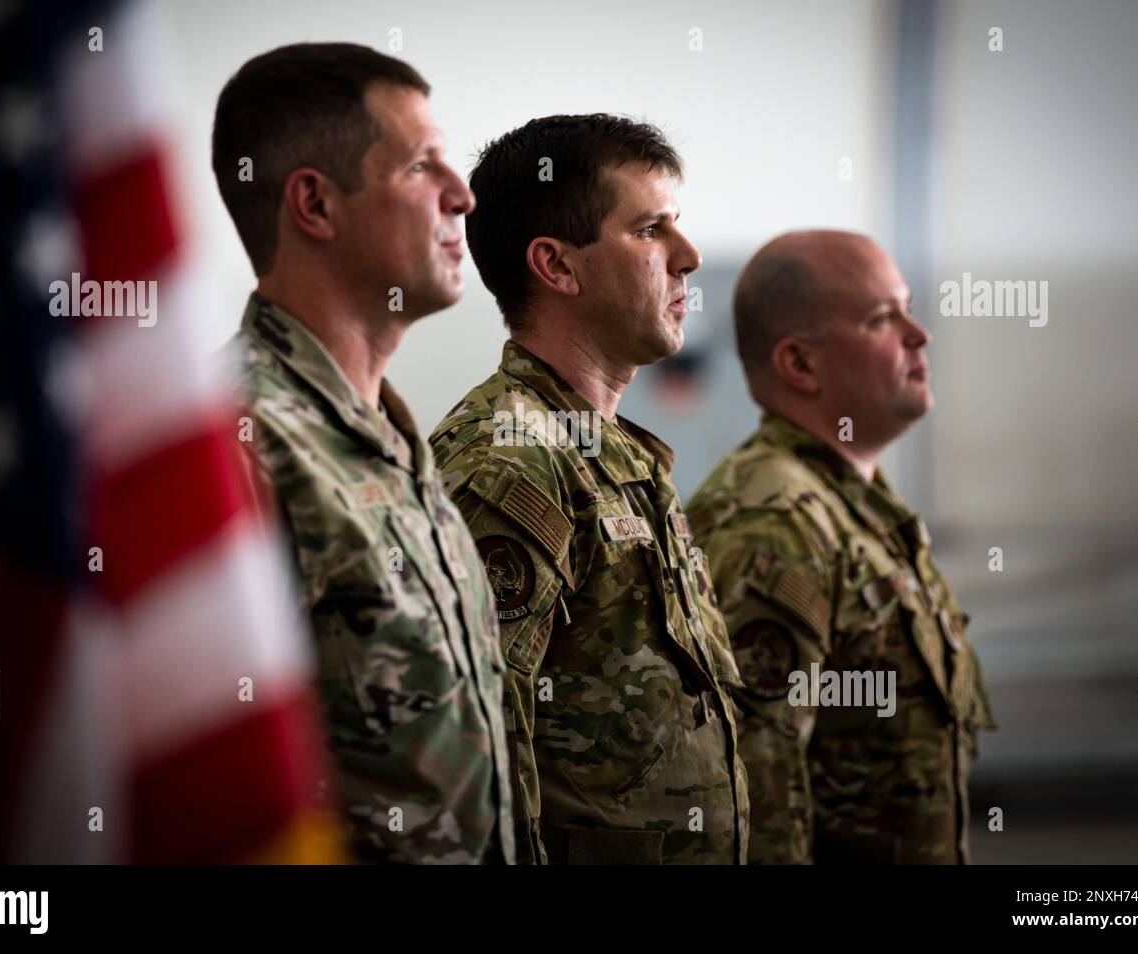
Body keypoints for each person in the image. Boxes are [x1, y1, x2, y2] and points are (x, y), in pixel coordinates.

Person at [212, 43, 514, 864]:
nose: (465, 194)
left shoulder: (395, 440)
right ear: (315, 203)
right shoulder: (237, 441)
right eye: (424, 167)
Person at [430, 114, 748, 864]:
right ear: (558, 267)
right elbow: (473, 763)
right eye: (651, 231)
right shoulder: (507, 463)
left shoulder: (616, 455)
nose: (690, 257)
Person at [687, 229, 996, 864]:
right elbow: (756, 795)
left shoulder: (858, 505)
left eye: (907, 307)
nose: (920, 334)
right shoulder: (772, 519)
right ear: (799, 364)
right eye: (884, 318)